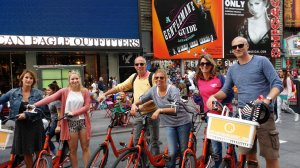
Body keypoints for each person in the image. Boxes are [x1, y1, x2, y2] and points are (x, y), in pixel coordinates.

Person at [206, 36, 283, 168]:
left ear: (247, 46)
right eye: (234, 47)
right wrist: (213, 96)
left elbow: (277, 84)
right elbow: (225, 90)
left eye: (240, 45)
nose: (237, 48)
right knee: (250, 158)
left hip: (263, 115)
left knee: (271, 156)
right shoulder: (232, 69)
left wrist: (267, 99)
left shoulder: (262, 61)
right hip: (244, 117)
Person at [98, 56, 160, 163]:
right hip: (139, 114)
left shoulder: (153, 77)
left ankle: (154, 163)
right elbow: (119, 87)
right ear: (134, 66)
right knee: (137, 141)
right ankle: (142, 162)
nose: (139, 66)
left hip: (151, 112)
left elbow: (157, 96)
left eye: (142, 64)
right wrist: (105, 94)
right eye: (137, 64)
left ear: (146, 65)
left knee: (153, 141)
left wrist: (140, 106)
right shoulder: (134, 77)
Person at [132, 69, 192, 168]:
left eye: (161, 78)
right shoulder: (153, 90)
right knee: (172, 152)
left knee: (183, 150)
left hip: (183, 122)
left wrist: (159, 110)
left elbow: (175, 109)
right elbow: (142, 99)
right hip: (169, 125)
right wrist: (134, 104)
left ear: (166, 78)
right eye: (156, 78)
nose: (159, 80)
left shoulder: (173, 90)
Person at [32, 70, 91, 168]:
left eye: (77, 78)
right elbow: (50, 98)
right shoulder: (64, 91)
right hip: (70, 123)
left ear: (80, 79)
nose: (75, 80)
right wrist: (34, 105)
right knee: (72, 150)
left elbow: (87, 106)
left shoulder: (84, 91)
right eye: (72, 79)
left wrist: (73, 113)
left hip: (82, 122)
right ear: (69, 80)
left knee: (85, 147)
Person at [194, 54, 234, 167]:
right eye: (202, 63)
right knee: (216, 147)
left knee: (228, 145)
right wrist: (198, 102)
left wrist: (220, 105)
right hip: (211, 117)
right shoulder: (198, 79)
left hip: (225, 114)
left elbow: (230, 94)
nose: (204, 66)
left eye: (207, 63)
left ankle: (232, 164)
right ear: (199, 66)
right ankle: (217, 165)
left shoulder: (219, 78)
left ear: (212, 65)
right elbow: (202, 98)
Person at [0, 70, 44, 167]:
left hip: (35, 125)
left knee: (39, 152)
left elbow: (40, 109)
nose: (28, 80)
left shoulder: (38, 93)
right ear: (22, 78)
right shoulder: (13, 92)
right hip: (21, 126)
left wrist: (26, 114)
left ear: (33, 81)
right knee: (27, 153)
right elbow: (1, 100)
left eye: (31, 78)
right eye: (26, 77)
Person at [45, 82, 61, 155]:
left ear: (54, 91)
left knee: (47, 138)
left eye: (49, 90)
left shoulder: (57, 101)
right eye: (46, 90)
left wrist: (58, 125)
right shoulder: (50, 99)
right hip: (52, 122)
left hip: (56, 122)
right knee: (58, 140)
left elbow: (60, 114)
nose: (46, 91)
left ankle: (55, 154)